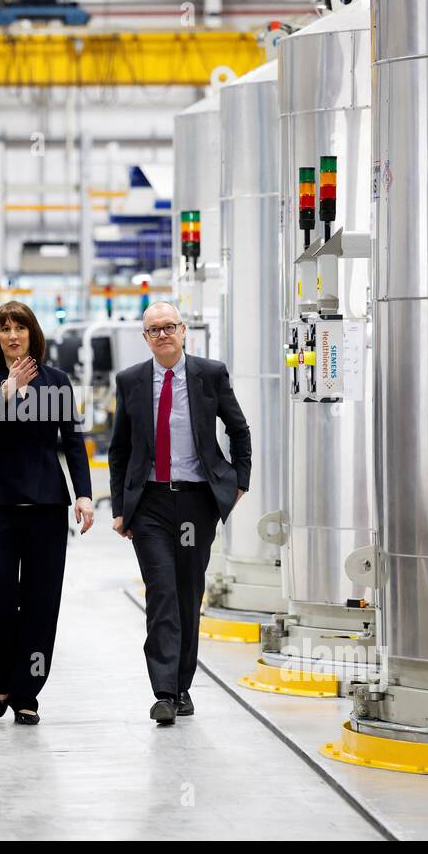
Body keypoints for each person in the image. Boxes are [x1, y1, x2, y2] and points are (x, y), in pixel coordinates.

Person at [108, 301, 251, 725]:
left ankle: (183, 685)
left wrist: (238, 482)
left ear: (183, 330)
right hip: (150, 504)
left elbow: (238, 428)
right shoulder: (131, 381)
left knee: (188, 594)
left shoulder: (210, 374)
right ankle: (164, 692)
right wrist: (121, 508)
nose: (163, 334)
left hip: (195, 503)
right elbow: (119, 449)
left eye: (169, 327)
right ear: (145, 338)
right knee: (163, 594)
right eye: (154, 330)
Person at [0, 302, 93, 726]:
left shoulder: (57, 382)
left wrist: (85, 495)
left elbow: (73, 442)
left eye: (19, 327)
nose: (12, 335)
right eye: (4, 328)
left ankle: (28, 693)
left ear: (32, 334)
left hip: (46, 506)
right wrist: (8, 389)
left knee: (42, 603)